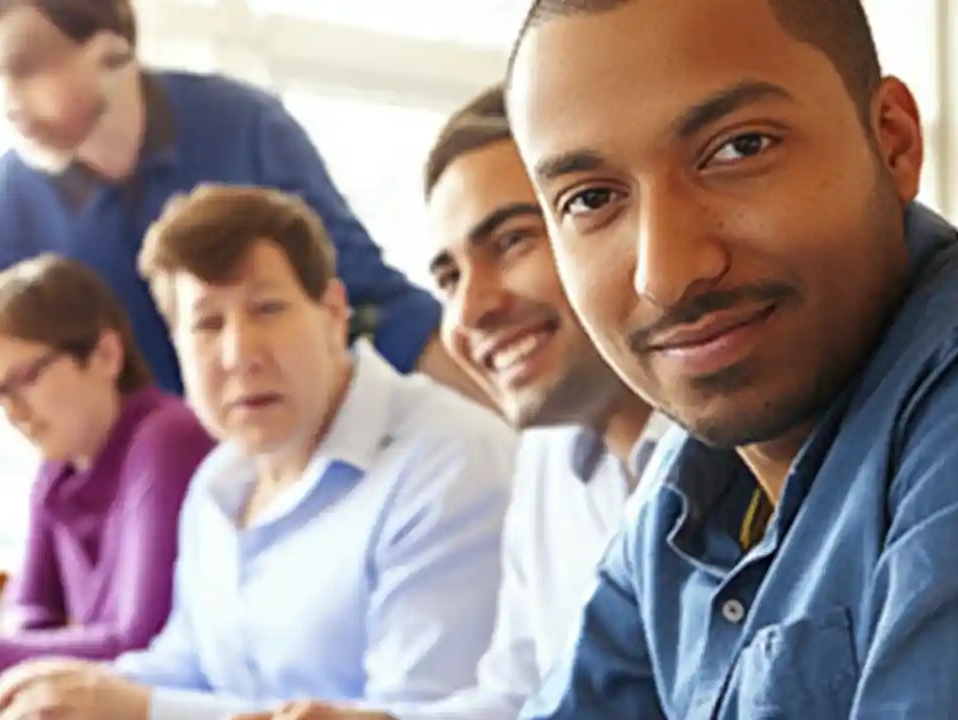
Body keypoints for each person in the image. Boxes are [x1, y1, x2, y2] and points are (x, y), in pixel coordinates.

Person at [503, 0, 958, 717]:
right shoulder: (682, 492)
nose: (665, 274)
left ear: (894, 143)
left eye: (740, 148)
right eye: (592, 198)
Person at [0, 0, 479, 572]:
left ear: (111, 45)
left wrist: (536, 424)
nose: (8, 99)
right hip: (149, 522)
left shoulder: (243, 128)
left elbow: (377, 303)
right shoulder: (2, 216)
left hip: (300, 480)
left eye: (27, 66)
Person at [0, 185, 515, 720]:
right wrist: (70, 692)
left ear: (333, 312)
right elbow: (186, 665)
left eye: (267, 309)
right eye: (208, 324)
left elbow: (410, 714)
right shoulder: (219, 481)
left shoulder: (448, 461)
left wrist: (145, 709)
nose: (239, 356)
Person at [227, 85, 674, 720]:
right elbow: (520, 695)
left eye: (513, 241)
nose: (469, 310)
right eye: (449, 277)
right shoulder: (546, 454)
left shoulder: (744, 443)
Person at [0, 254, 216, 685]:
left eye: (26, 377)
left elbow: (138, 643)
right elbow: (26, 615)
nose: (15, 411)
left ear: (106, 354)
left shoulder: (168, 438)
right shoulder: (58, 466)